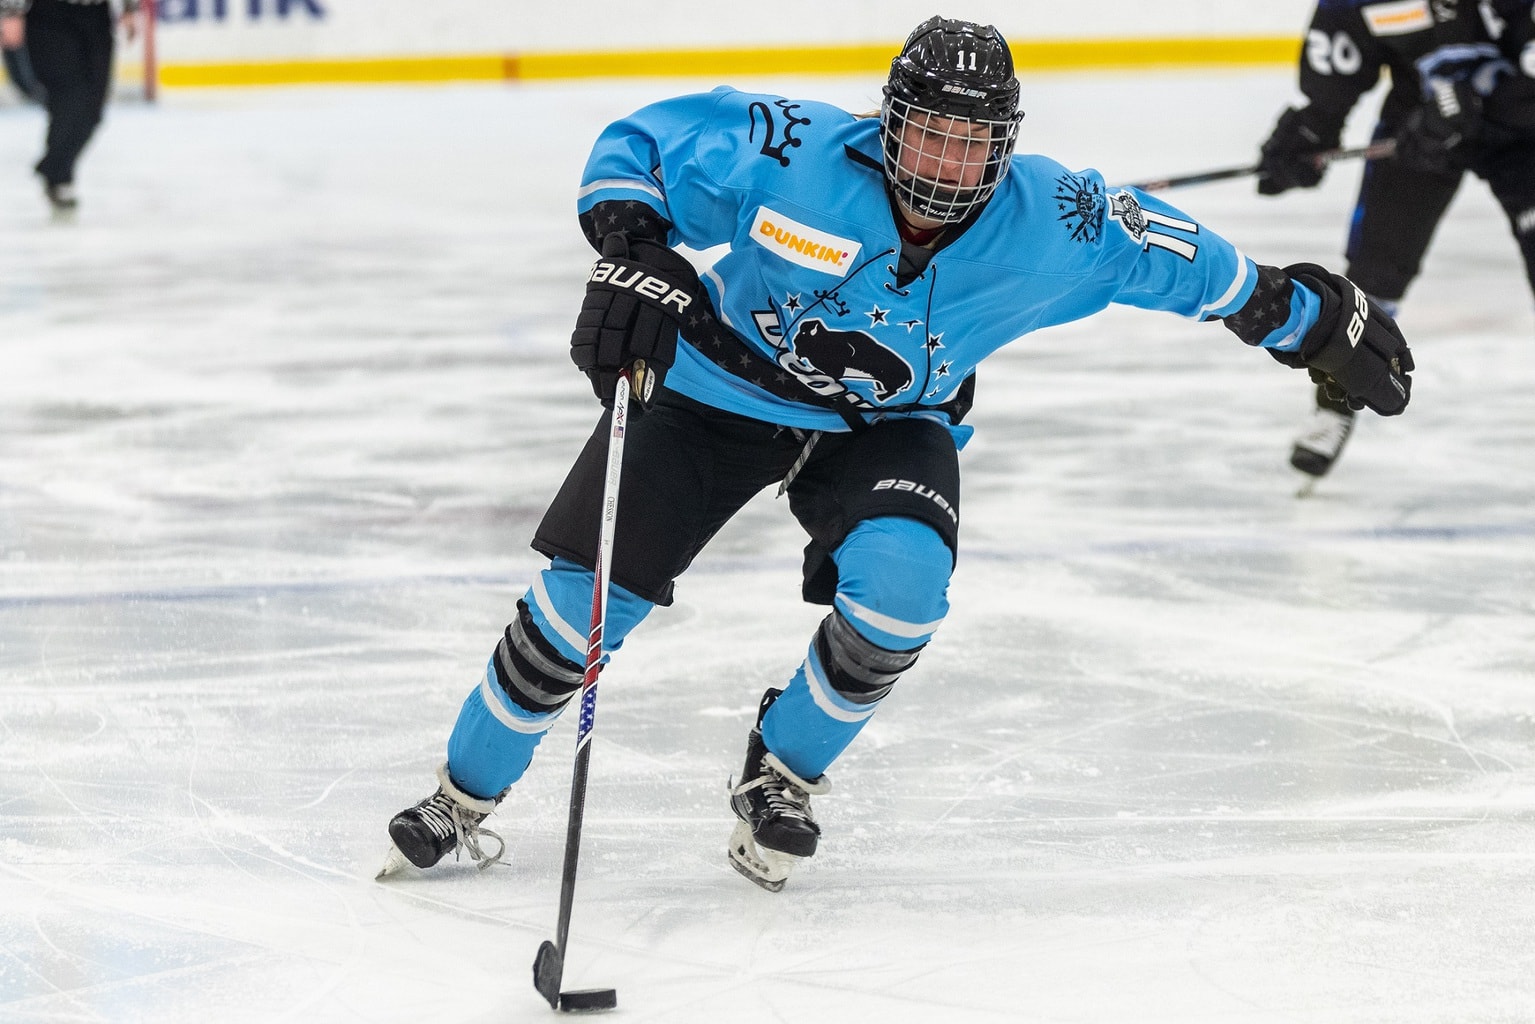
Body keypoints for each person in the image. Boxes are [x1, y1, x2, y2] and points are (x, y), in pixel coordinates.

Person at [380, 16, 1415, 893]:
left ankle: (781, 772)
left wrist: (1304, 318)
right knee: (582, 607)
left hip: (889, 420)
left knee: (904, 592)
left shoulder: (1058, 221)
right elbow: (642, 143)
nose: (944, 168)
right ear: (887, 123)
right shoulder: (792, 150)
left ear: (1005, 147)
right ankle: (462, 794)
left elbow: (1186, 261)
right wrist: (636, 249)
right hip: (714, 388)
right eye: (927, 136)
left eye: (973, 146)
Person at [1256, 0, 1534, 479]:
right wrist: (1310, 131)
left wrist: (1488, 101)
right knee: (1373, 276)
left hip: (1524, 133)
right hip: (1423, 129)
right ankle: (1334, 406)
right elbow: (1338, 62)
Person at [0, 0, 141, 213]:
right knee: (68, 99)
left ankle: (53, 168)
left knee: (93, 109)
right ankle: (59, 177)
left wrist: (130, 8)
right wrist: (11, 11)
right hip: (50, 15)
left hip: (97, 15)